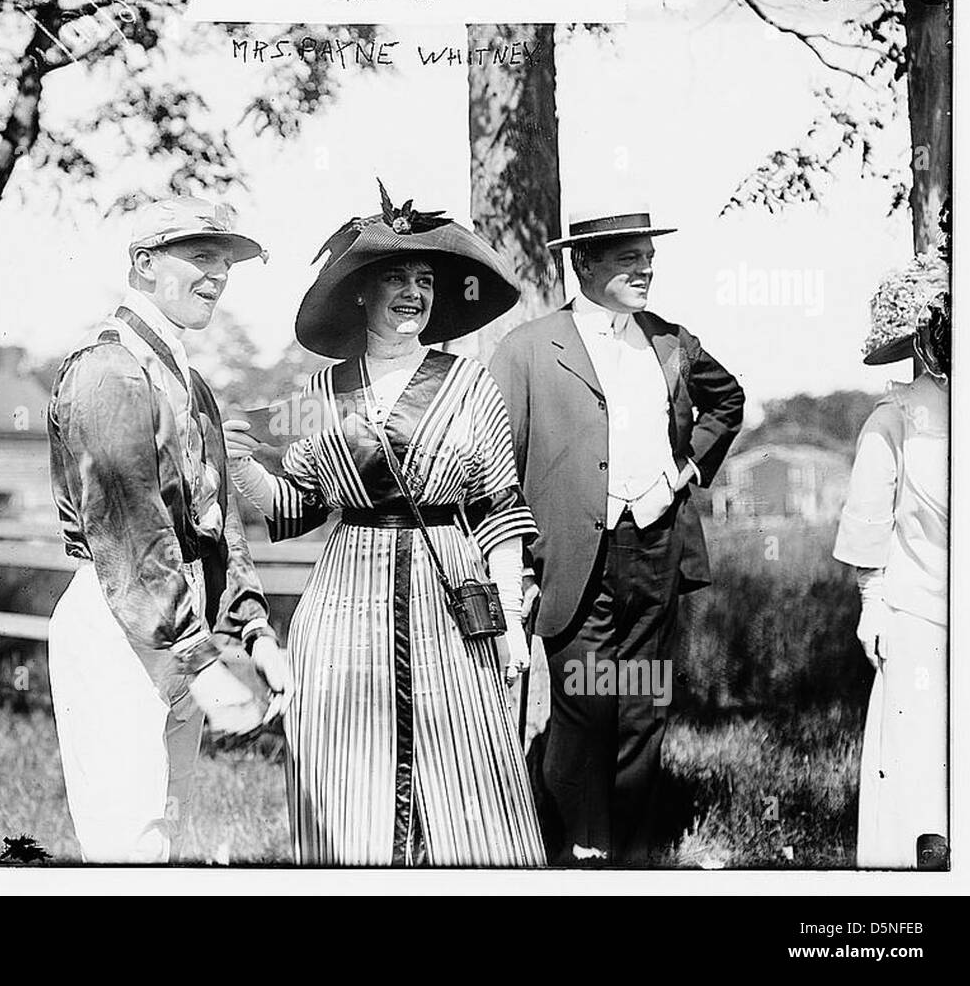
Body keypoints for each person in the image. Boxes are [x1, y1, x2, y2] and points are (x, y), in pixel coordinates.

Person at [223, 181, 545, 866]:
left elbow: (497, 507)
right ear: (361, 292)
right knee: (352, 776)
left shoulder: (471, 384)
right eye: (395, 276)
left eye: (424, 279)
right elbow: (291, 505)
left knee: (466, 773)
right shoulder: (322, 392)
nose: (413, 292)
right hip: (346, 604)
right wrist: (235, 458)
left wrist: (513, 617)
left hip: (450, 597)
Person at [490, 201, 744, 866]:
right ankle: (578, 850)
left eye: (649, 257)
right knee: (584, 707)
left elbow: (729, 400)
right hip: (572, 555)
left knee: (643, 705)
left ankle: (630, 861)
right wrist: (512, 565)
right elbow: (499, 462)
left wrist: (684, 472)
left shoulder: (671, 339)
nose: (646, 268)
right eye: (629, 257)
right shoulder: (528, 348)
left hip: (658, 548)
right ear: (583, 263)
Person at [45, 196, 293, 863]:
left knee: (172, 834)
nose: (217, 273)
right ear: (145, 263)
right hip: (119, 614)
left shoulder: (189, 378)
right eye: (200, 255)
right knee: (129, 838)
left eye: (225, 260)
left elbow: (220, 522)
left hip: (177, 620)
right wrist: (202, 661)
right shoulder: (108, 369)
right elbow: (128, 536)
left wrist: (254, 629)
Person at [833, 250, 949, 870]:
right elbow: (869, 524)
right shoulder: (895, 419)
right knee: (921, 774)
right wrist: (873, 603)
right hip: (918, 618)